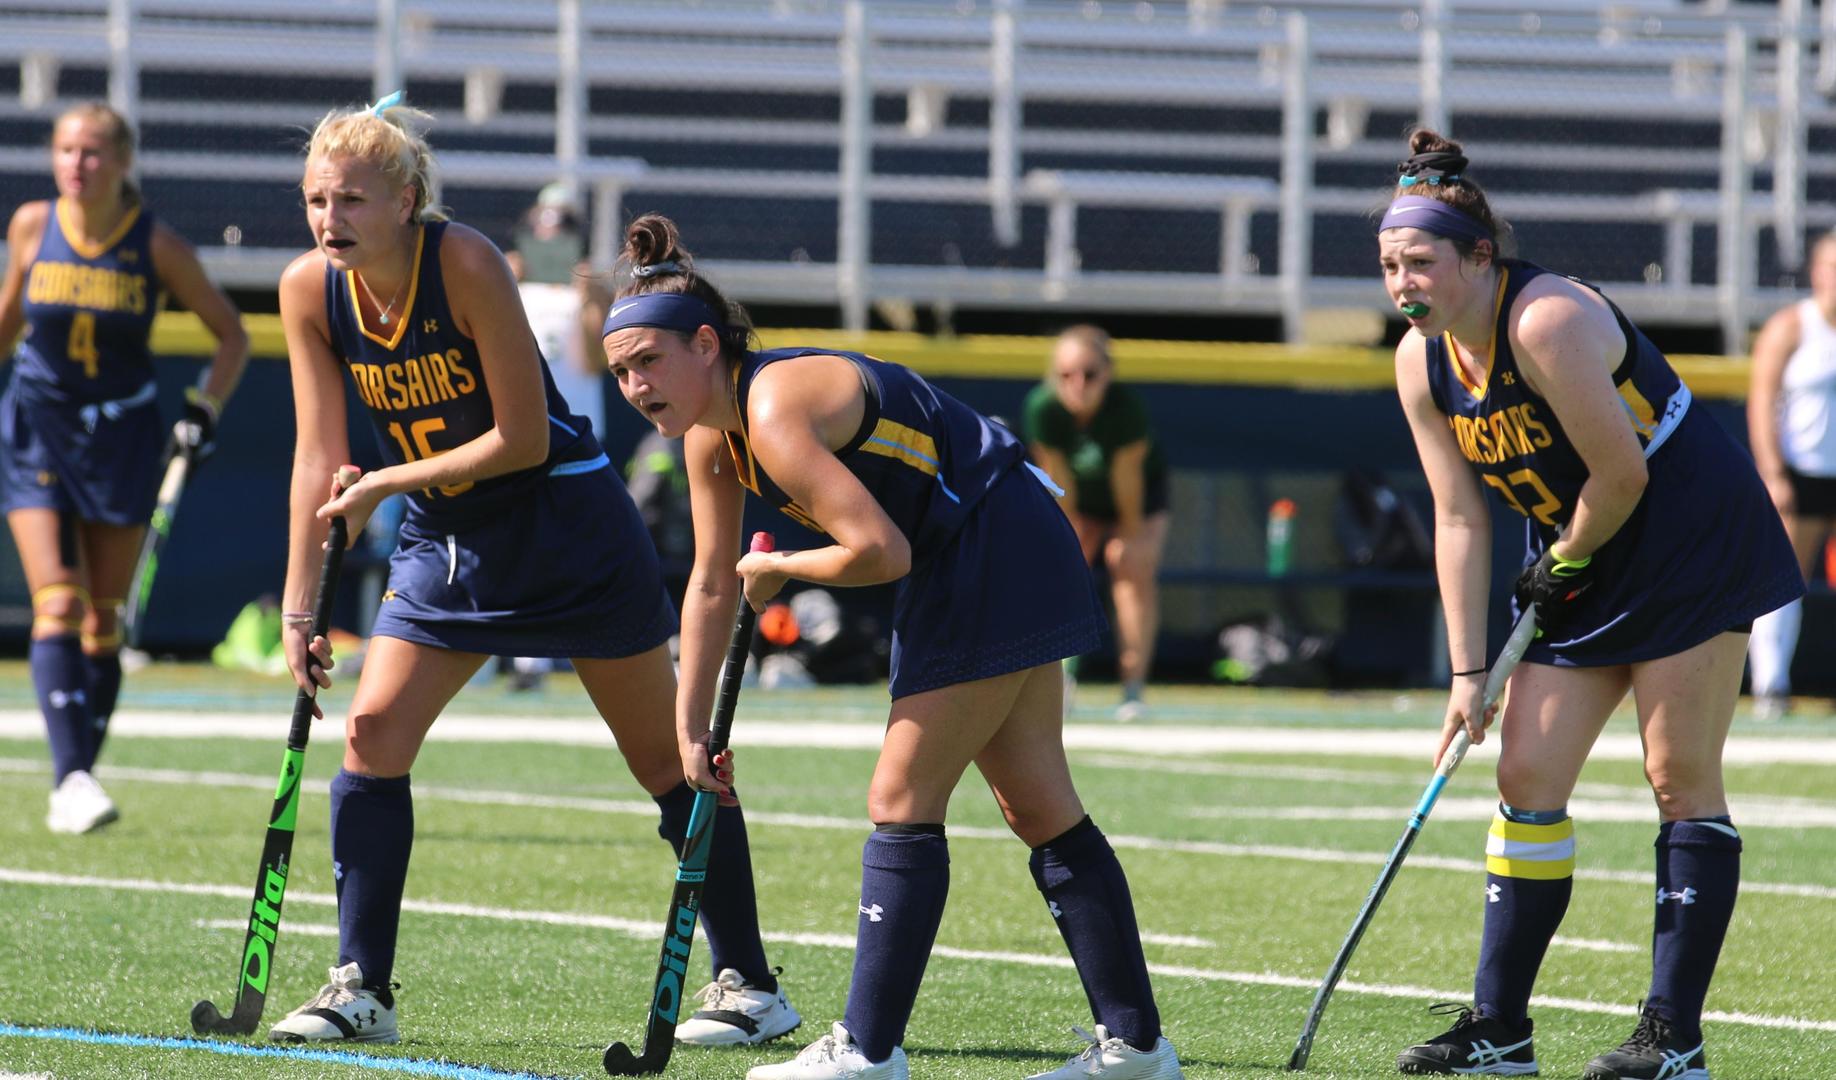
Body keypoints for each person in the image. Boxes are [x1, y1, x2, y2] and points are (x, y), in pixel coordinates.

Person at [603, 213, 1185, 1080]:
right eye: (618, 372)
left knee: (901, 793)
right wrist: (692, 731)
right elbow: (712, 582)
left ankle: (868, 1049)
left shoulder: (771, 407)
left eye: (648, 362)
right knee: (1037, 803)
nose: (635, 386)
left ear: (703, 344)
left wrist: (787, 567)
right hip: (991, 541)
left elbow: (881, 552)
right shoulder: (710, 438)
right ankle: (1137, 1046)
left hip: (993, 542)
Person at [267, 96, 797, 1049]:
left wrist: (384, 480)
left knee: (668, 761)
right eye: (315, 198)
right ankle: (363, 990)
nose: (328, 218)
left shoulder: (463, 262)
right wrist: (301, 608)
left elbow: (518, 440)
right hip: (448, 536)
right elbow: (316, 456)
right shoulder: (308, 289)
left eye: (350, 198)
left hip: (566, 527)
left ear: (407, 200)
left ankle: (752, 985)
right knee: (372, 731)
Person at [1379, 129, 1802, 1079]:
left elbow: (1619, 475)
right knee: (1525, 775)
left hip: (1683, 539)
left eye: (1421, 263)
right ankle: (1500, 1029)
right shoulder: (1422, 362)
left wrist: (1563, 559)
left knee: (1676, 773)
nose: (1404, 285)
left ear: (1479, 257)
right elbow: (1456, 516)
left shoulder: (1546, 322)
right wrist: (1466, 671)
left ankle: (1673, 1037)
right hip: (1576, 556)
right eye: (1390, 266)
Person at [0, 101, 248, 834]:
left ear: (123, 162)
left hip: (122, 436)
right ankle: (71, 778)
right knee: (58, 603)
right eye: (67, 151)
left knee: (103, 621)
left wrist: (204, 410)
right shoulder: (30, 225)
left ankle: (79, 771)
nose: (78, 165)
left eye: (93, 153)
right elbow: (10, 319)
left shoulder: (156, 245)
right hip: (38, 426)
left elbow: (231, 336)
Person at [1021, 325, 1170, 722]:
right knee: (1066, 569)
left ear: (1108, 373)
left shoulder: (1126, 409)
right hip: (1080, 501)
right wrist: (1071, 538)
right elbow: (1057, 480)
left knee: (1130, 565)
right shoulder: (1043, 408)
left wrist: (1130, 534)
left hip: (1136, 500)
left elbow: (1127, 481)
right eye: (1066, 375)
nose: (1078, 384)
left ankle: (1133, 690)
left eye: (1090, 374)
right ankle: (1062, 683)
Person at [501, 181, 613, 690]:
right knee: (515, 541)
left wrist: (593, 299)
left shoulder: (590, 290)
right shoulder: (506, 281)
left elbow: (598, 362)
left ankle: (556, 658)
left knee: (570, 549)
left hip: (575, 435)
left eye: (561, 228)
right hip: (518, 430)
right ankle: (515, 659)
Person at [1744, 230, 1836, 720]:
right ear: (1817, 272)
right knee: (1785, 582)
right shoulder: (1792, 327)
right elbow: (1762, 400)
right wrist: (1773, 471)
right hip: (1801, 473)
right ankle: (1770, 688)